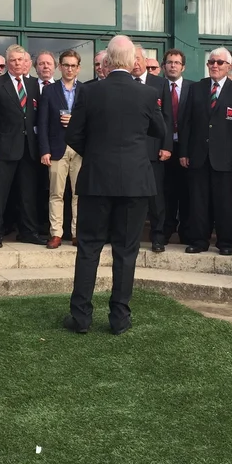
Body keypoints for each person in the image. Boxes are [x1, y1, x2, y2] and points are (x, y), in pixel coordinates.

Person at [63, 35, 165, 335]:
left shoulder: (90, 92)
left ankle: (80, 317)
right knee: (125, 251)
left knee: (88, 249)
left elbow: (72, 135)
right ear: (135, 62)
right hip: (135, 182)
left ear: (107, 61)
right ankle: (119, 318)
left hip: (96, 180)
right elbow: (160, 130)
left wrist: (95, 155)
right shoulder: (146, 94)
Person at [179, 48, 232, 256]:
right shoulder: (197, 88)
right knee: (198, 201)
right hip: (199, 155)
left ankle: (225, 241)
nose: (215, 66)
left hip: (226, 158)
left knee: (225, 202)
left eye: (220, 63)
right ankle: (199, 240)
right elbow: (186, 123)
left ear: (229, 66)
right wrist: (183, 152)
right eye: (211, 62)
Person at [0, 44, 45, 248]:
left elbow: (36, 117)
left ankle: (28, 231)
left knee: (28, 193)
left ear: (26, 62)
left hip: (29, 147)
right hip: (5, 146)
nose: (17, 63)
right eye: (13, 60)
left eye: (21, 60)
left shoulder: (34, 84)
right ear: (7, 62)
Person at [38, 49, 83, 249]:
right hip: (56, 148)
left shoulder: (86, 90)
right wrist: (44, 150)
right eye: (66, 65)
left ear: (78, 68)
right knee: (56, 193)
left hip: (80, 149)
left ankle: (77, 233)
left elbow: (90, 120)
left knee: (79, 194)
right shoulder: (49, 90)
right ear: (60, 66)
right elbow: (42, 123)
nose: (69, 69)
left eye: (73, 65)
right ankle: (56, 233)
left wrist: (75, 121)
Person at [132, 47, 173, 252]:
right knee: (132, 197)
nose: (136, 64)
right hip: (131, 151)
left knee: (156, 198)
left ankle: (158, 237)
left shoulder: (160, 83)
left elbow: (167, 117)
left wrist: (166, 146)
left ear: (145, 60)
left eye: (138, 59)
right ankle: (132, 238)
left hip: (155, 150)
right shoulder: (126, 83)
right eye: (132, 60)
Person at [162, 48, 193, 245]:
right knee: (165, 192)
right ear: (164, 65)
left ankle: (186, 231)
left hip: (186, 148)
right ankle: (165, 229)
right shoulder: (157, 87)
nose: (173, 65)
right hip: (163, 148)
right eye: (170, 62)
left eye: (177, 63)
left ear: (183, 67)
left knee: (187, 192)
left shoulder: (194, 88)